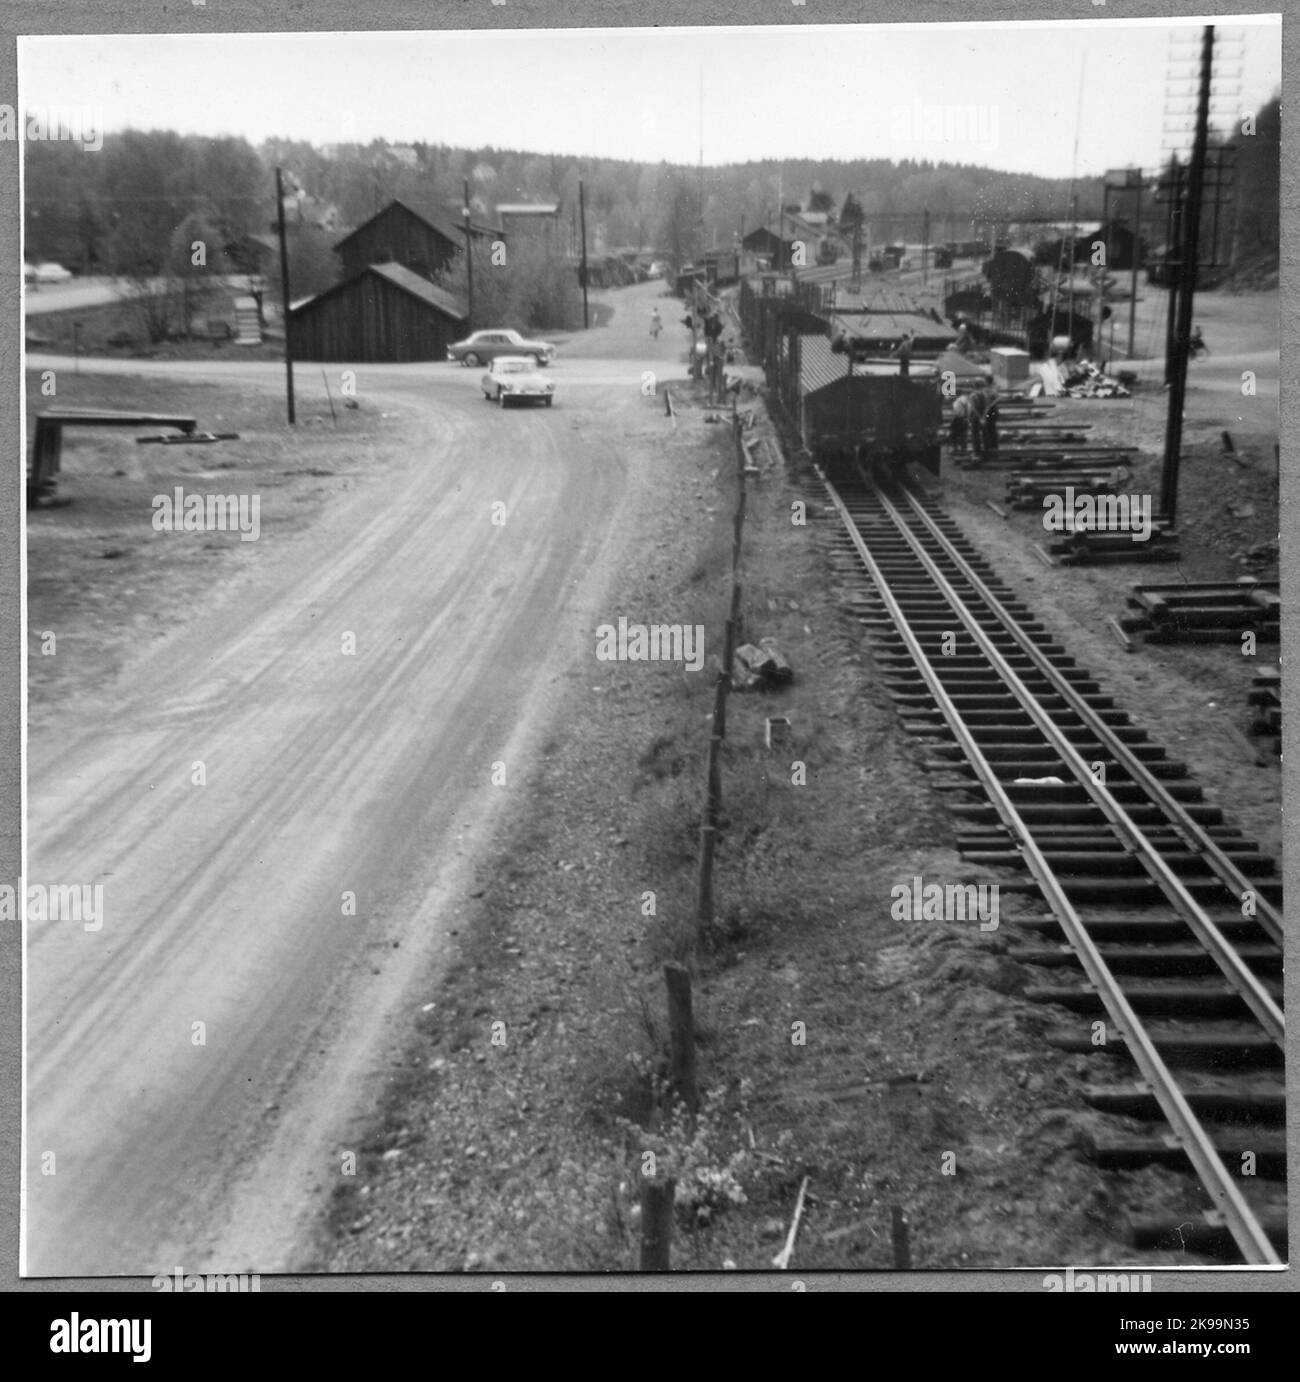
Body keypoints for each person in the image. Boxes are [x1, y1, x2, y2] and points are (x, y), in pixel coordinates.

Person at [950, 391, 972, 457]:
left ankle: (955, 449)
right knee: (964, 436)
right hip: (965, 419)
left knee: (954, 435)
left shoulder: (956, 402)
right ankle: (963, 450)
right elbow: (969, 412)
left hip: (957, 419)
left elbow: (956, 412)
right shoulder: (968, 402)